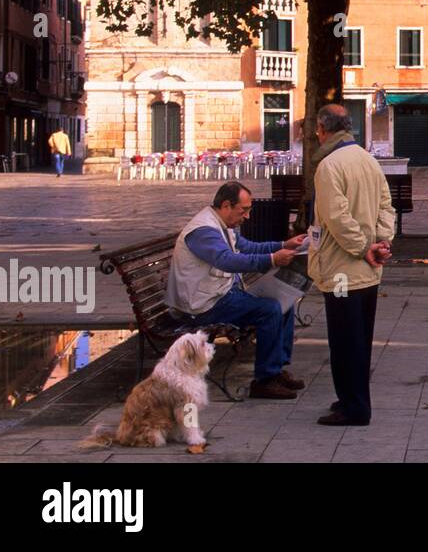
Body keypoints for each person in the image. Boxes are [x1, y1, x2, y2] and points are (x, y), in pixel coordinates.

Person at [165, 181, 308, 398]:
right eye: (244, 210)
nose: (247, 217)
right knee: (269, 309)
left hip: (221, 294)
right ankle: (265, 380)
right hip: (202, 305)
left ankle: (277, 368)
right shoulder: (204, 231)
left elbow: (248, 247)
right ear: (226, 205)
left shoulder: (223, 225)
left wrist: (283, 245)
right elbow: (227, 260)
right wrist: (272, 259)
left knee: (283, 301)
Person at [311, 104, 396, 427]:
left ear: (323, 129)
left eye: (317, 130)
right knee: (359, 338)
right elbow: (386, 206)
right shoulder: (368, 159)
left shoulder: (328, 166)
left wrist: (364, 248)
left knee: (344, 341)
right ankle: (350, 397)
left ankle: (355, 407)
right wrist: (382, 241)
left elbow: (336, 218)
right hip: (369, 269)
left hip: (342, 268)